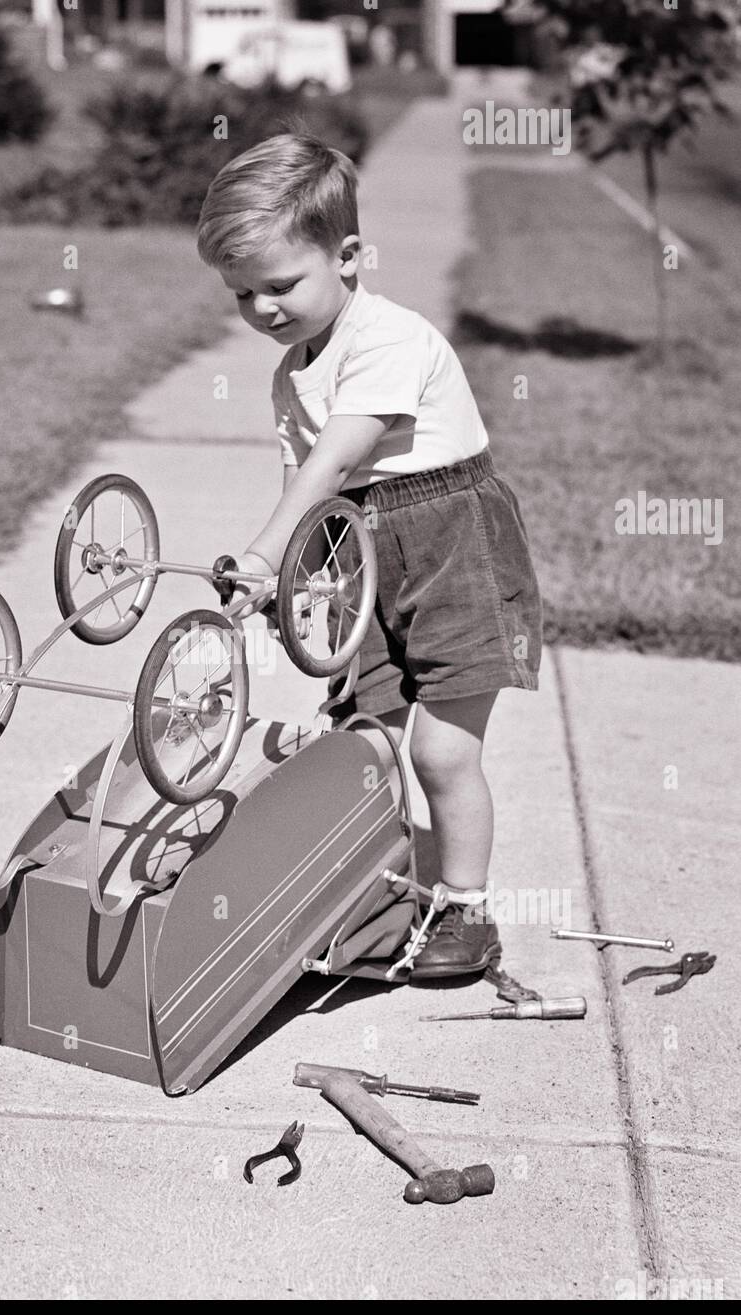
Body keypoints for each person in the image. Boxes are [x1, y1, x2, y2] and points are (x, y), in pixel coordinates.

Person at [195, 132, 542, 978]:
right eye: (242, 294)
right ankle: (376, 891)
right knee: (366, 743)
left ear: (347, 255)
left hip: (453, 544)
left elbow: (336, 460)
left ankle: (466, 912)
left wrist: (259, 548)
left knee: (441, 752)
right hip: (361, 553)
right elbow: (303, 484)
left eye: (280, 285)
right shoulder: (290, 373)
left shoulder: (390, 337)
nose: (263, 309)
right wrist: (291, 577)